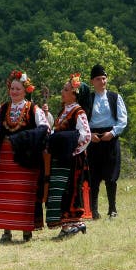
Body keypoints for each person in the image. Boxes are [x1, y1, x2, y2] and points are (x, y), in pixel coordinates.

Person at [0, 71, 49, 243]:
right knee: (6, 194)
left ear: (25, 90)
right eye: (12, 88)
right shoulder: (3, 109)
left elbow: (44, 128)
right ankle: (6, 231)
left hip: (26, 158)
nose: (14, 91)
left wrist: (26, 139)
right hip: (6, 158)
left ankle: (26, 230)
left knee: (25, 194)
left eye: (18, 89)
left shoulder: (33, 109)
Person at [46, 74, 91, 237]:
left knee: (71, 189)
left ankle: (76, 223)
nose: (62, 92)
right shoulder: (64, 111)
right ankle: (65, 227)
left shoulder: (78, 112)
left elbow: (86, 135)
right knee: (59, 189)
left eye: (66, 89)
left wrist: (72, 150)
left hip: (73, 159)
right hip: (60, 157)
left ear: (74, 94)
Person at [83, 64, 128, 219]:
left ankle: (112, 209)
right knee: (93, 176)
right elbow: (82, 120)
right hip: (94, 138)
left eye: (104, 78)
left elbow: (123, 120)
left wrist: (113, 132)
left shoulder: (115, 97)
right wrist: (89, 134)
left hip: (111, 138)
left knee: (111, 176)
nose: (102, 81)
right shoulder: (87, 98)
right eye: (98, 79)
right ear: (92, 81)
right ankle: (94, 211)